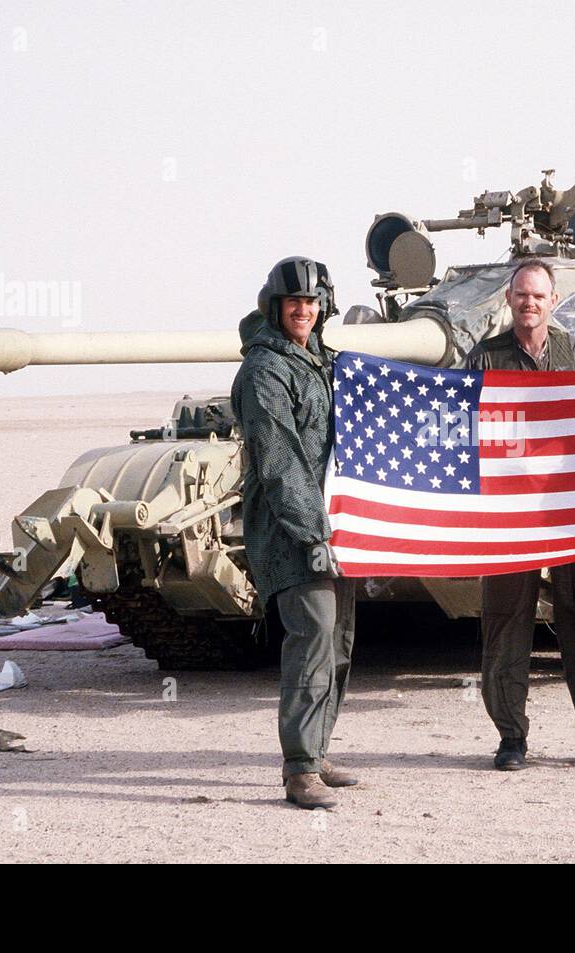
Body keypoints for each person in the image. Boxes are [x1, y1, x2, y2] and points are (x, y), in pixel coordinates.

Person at [465, 259, 575, 770]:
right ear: (509, 300)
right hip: (511, 515)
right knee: (505, 623)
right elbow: (466, 430)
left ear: (553, 301)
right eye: (521, 295)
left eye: (539, 296)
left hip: (571, 512)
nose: (529, 303)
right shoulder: (486, 358)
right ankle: (512, 736)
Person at [231, 256, 357, 809]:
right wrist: (314, 535)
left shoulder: (319, 363)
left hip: (336, 524)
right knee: (311, 638)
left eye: (311, 303)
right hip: (291, 530)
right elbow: (280, 465)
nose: (303, 311)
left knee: (338, 642)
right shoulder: (264, 371)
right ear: (275, 307)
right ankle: (299, 768)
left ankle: (319, 747)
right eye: (293, 303)